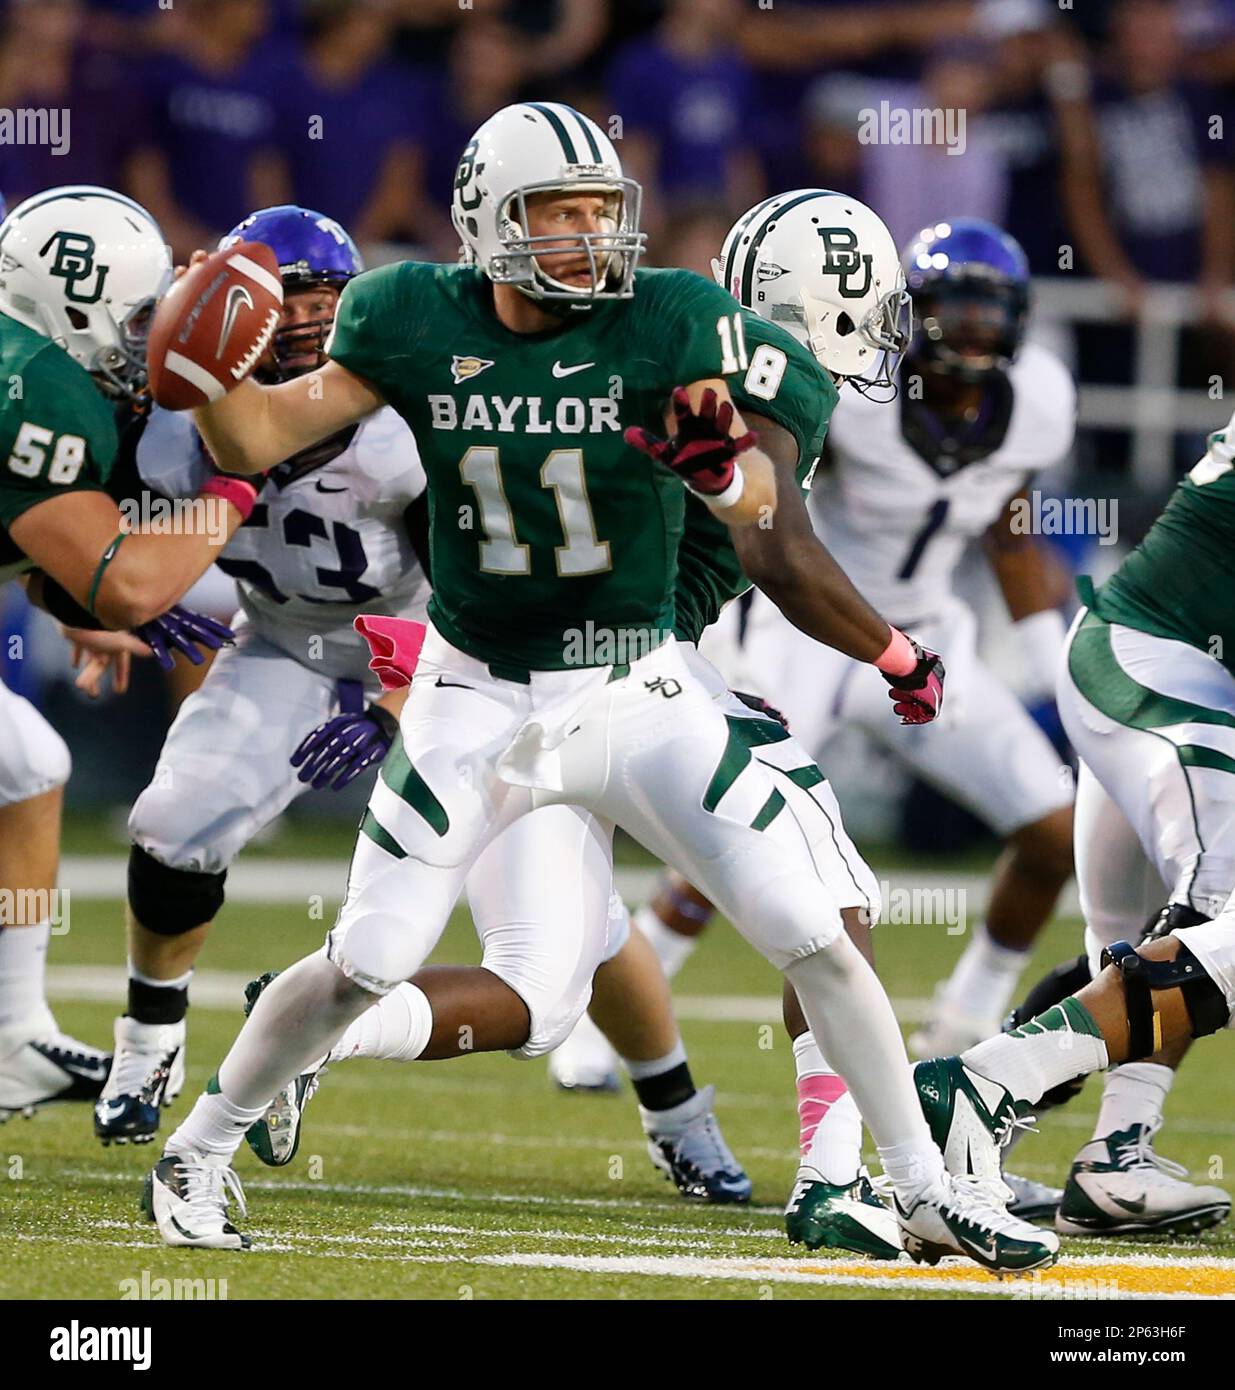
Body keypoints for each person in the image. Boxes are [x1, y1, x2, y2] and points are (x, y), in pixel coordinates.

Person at [142, 106, 1056, 1275]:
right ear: (487, 218)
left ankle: (918, 1190)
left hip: (635, 684)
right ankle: (196, 1148)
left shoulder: (674, 317)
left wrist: (722, 472)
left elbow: (763, 523)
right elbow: (262, 433)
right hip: (475, 692)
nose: (584, 235)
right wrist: (209, 378)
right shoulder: (405, 312)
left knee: (816, 928)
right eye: (555, 212)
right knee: (369, 955)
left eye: (597, 210)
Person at [101, 203, 747, 1201]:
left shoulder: (403, 420)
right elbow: (90, 529)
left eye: (322, 295)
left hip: (450, 657)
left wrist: (392, 702)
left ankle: (674, 1114)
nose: (308, 317)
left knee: (577, 932)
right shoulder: (180, 417)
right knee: (177, 820)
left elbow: (467, 583)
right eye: (283, 297)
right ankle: (159, 1047)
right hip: (285, 643)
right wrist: (97, 609)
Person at [576, 218, 1077, 1233]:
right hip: (818, 626)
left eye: (989, 307)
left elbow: (1010, 531)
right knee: (748, 854)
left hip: (925, 631)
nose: (966, 327)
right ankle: (649, 1035)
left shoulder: (1031, 409)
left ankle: (962, 1019)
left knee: (1051, 828)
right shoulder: (827, 397)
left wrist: (1053, 661)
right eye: (951, 304)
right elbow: (781, 540)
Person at [0, 186, 253, 1119]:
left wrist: (62, 601)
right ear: (75, 302)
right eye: (141, 314)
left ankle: (10, 1038)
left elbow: (32, 537)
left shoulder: (26, 366)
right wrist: (237, 485)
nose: (154, 336)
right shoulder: (42, 389)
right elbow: (134, 583)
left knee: (25, 764)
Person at [960, 410, 1235, 1236]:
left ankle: (1101, 1157)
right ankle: (976, 1090)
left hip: (1151, 670)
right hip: (1154, 669)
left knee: (1136, 950)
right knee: (1217, 928)